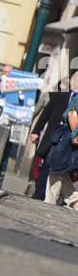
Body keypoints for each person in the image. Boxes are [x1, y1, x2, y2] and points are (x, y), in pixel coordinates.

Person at [44, 71, 78, 207]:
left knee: (57, 168)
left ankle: (50, 200)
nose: (71, 82)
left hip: (68, 136)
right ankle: (74, 200)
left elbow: (72, 115)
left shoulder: (76, 97)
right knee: (60, 168)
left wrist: (75, 134)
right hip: (67, 135)